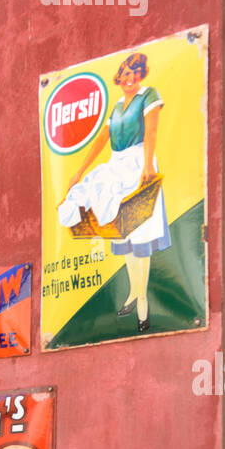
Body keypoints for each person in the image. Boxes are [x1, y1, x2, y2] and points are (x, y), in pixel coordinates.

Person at [58, 51, 169, 333]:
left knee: (138, 228)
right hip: (117, 164)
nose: (129, 79)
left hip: (138, 161)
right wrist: (79, 171)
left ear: (141, 75)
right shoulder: (117, 105)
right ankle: (133, 291)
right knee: (119, 227)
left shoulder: (149, 95)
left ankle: (143, 302)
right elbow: (101, 140)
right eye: (124, 75)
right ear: (119, 78)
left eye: (134, 74)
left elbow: (152, 132)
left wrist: (147, 165)